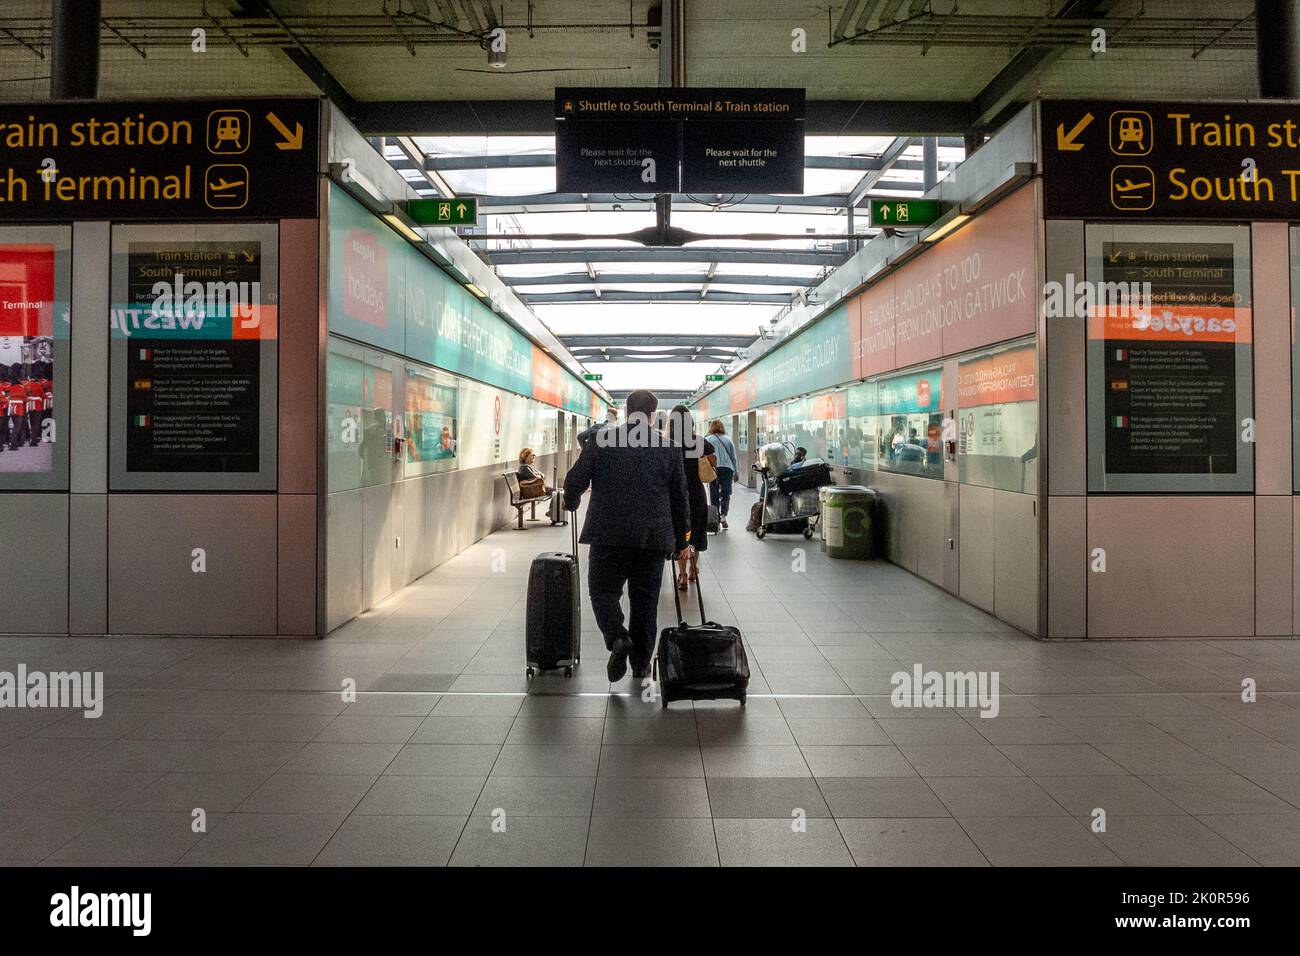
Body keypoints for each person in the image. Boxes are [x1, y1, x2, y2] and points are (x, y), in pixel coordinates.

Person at [563, 389, 690, 683]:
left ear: (625, 412)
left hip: (608, 535)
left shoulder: (600, 441)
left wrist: (571, 500)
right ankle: (641, 665)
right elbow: (679, 497)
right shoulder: (669, 448)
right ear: (653, 416)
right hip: (653, 538)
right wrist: (683, 540)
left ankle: (618, 637)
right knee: (645, 602)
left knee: (602, 591)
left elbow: (574, 481)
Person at [666, 405, 713, 590]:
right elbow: (712, 458)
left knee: (680, 532)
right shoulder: (698, 441)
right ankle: (694, 568)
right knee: (697, 530)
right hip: (695, 492)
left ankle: (682, 574)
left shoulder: (667, 442)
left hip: (675, 494)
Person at [705, 419, 738, 530]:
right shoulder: (728, 440)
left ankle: (716, 517)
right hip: (727, 468)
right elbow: (733, 457)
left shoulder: (707, 439)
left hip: (713, 469)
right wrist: (736, 472)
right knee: (726, 492)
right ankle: (723, 515)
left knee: (713, 493)